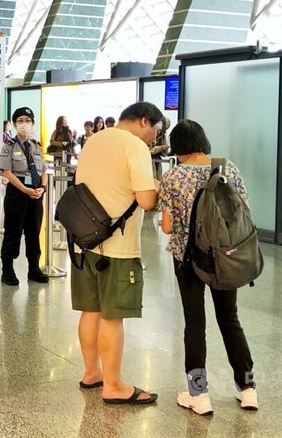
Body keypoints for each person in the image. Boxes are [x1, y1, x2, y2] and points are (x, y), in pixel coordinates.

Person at [158, 119, 257, 415]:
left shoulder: (173, 176)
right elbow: (245, 210)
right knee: (230, 319)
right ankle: (248, 388)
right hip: (227, 256)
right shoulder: (228, 167)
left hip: (188, 258)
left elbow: (165, 227)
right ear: (203, 141)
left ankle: (198, 395)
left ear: (177, 146)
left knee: (195, 322)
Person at [71, 101, 163, 406]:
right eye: (156, 132)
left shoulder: (94, 140)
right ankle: (113, 385)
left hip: (84, 241)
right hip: (118, 246)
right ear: (145, 122)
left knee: (91, 310)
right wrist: (158, 187)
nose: (154, 140)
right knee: (113, 316)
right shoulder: (135, 147)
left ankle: (91, 373)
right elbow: (147, 200)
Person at [0, 107, 49, 285]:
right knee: (13, 231)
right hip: (17, 192)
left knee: (33, 232)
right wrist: (25, 190)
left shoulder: (36, 145)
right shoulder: (9, 146)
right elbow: (7, 172)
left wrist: (42, 187)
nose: (24, 124)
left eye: (27, 120)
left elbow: (43, 169)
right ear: (13, 124)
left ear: (32, 123)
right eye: (20, 121)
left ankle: (34, 269)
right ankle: (7, 270)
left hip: (35, 193)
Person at [151, 116, 171, 180]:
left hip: (158, 161)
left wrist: (165, 149)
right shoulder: (149, 134)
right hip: (148, 162)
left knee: (158, 180)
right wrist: (160, 148)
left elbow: (164, 155)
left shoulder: (162, 136)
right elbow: (148, 150)